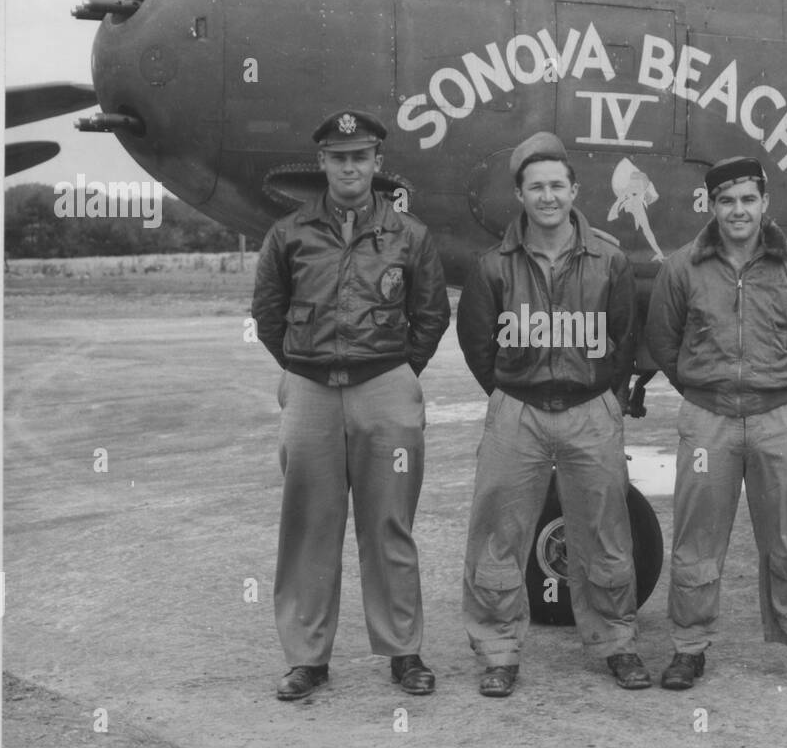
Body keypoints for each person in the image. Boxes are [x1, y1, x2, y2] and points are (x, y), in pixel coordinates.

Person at [251, 109, 450, 700]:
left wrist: (393, 372)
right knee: (309, 525)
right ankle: (307, 657)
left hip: (385, 385)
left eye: (359, 157)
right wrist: (301, 369)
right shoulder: (288, 234)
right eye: (339, 158)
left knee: (389, 521)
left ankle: (403, 651)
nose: (349, 167)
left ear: (377, 164)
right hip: (310, 387)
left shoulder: (410, 236)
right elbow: (268, 316)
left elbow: (432, 314)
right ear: (322, 164)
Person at [456, 132, 650, 697]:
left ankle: (617, 643)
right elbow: (476, 343)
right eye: (535, 187)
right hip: (518, 412)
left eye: (556, 186)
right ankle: (498, 651)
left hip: (591, 411)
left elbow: (624, 337)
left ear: (575, 190)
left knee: (606, 534)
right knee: (497, 535)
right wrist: (510, 393)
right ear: (519, 194)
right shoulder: (493, 266)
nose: (548, 196)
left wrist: (604, 395)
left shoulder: (610, 260)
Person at [645, 156, 787, 690]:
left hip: (779, 420)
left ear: (765, 203)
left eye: (748, 199)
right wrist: (704, 390)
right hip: (708, 422)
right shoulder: (682, 267)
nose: (738, 210)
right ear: (712, 206)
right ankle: (688, 647)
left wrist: (779, 390)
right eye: (726, 201)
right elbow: (663, 339)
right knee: (695, 542)